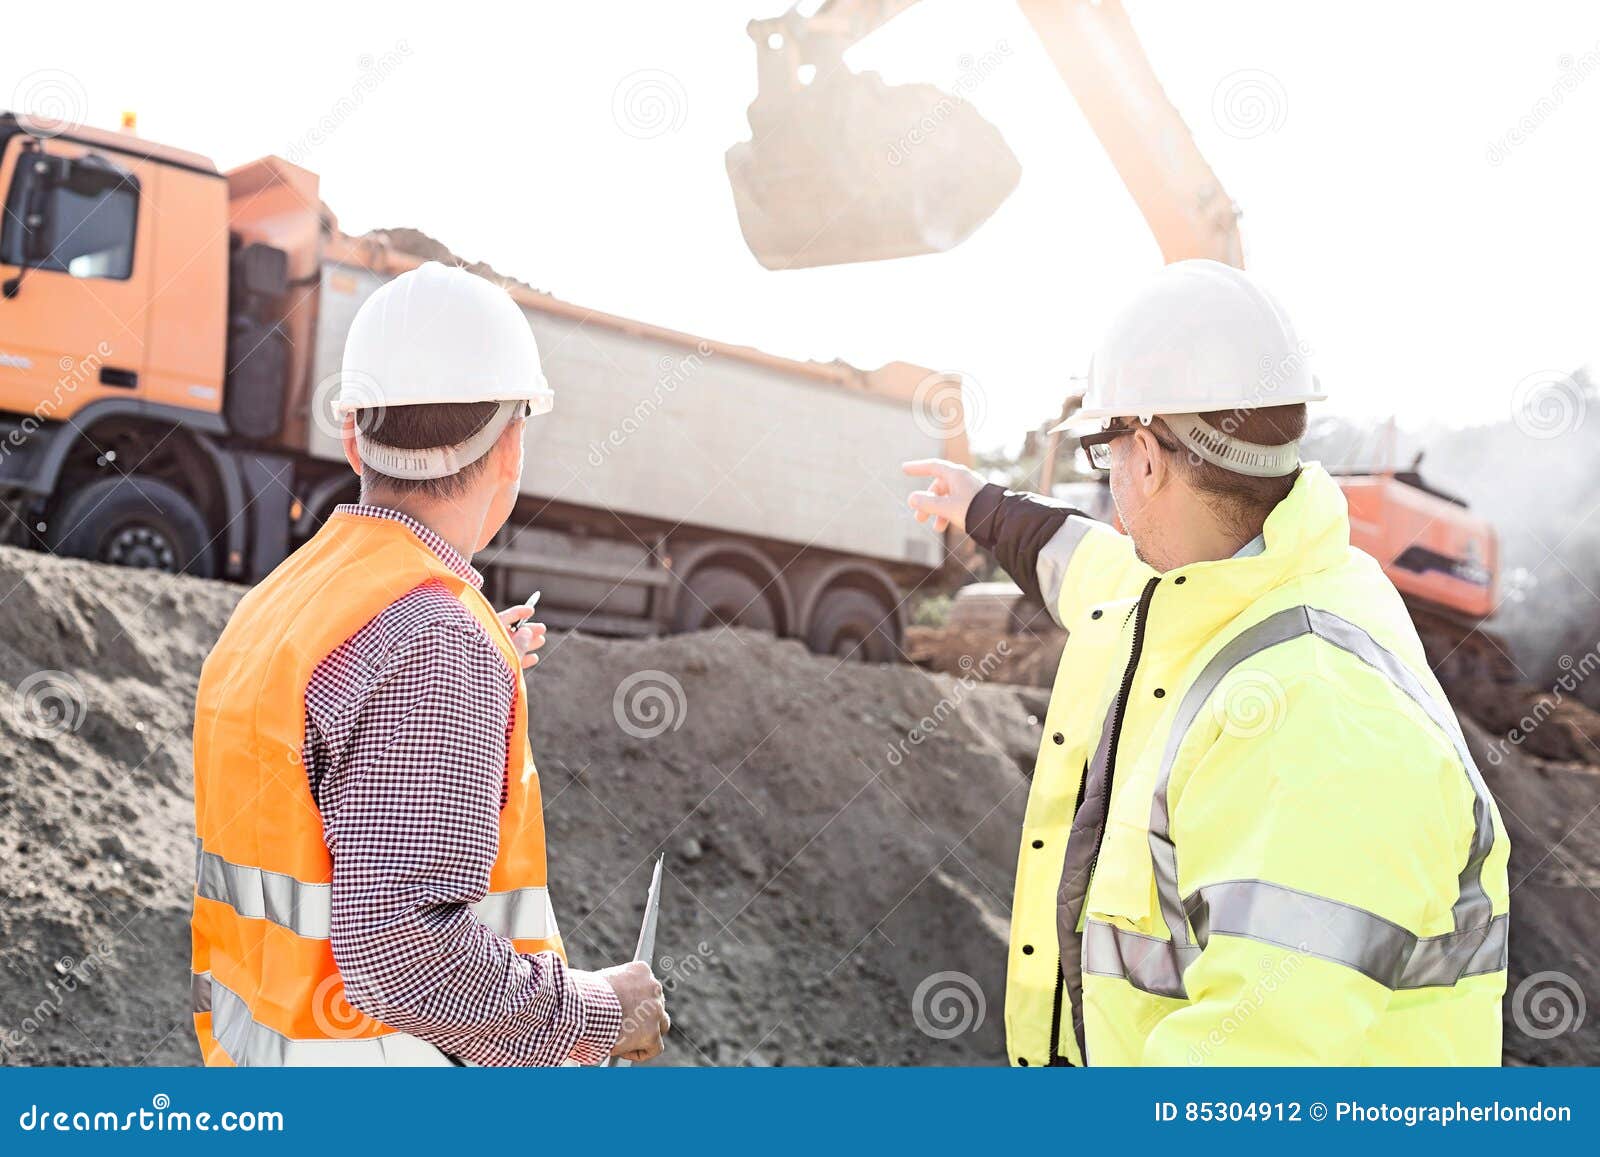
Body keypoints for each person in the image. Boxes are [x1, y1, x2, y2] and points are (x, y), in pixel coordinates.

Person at [904, 259, 1509, 1066]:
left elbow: (1249, 1073)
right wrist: (987, 508)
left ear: (1146, 457)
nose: (1109, 480)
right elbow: (1091, 571)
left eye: (1104, 449)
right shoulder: (1216, 589)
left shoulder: (1322, 718)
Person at [191, 262, 668, 1066]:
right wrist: (598, 1014)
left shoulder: (282, 602)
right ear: (512, 443)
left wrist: (465, 671)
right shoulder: (434, 642)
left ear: (352, 434)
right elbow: (404, 959)